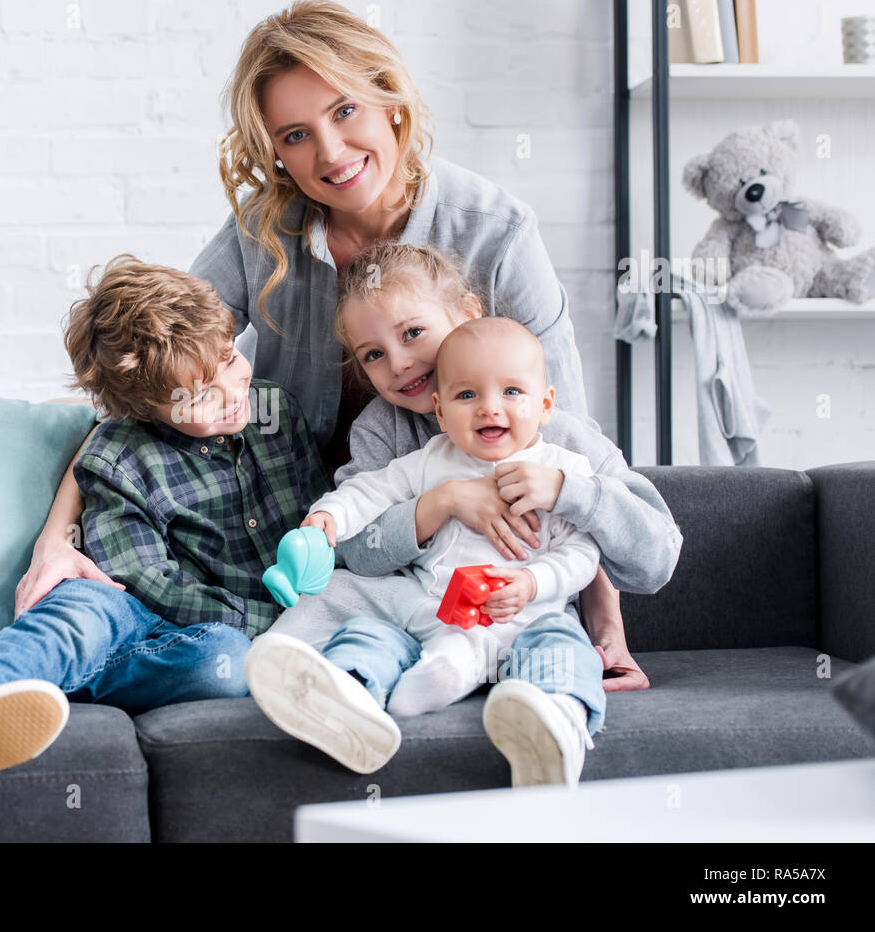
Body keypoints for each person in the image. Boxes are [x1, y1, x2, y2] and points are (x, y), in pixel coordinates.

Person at [13, 0, 652, 692]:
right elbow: (161, 373)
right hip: (317, 535)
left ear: (390, 100)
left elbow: (568, 436)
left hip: (445, 543)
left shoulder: (494, 233)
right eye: (295, 135)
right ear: (275, 153)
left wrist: (604, 625)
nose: (331, 153)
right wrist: (56, 537)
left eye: (345, 111)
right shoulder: (263, 232)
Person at [0, 254, 331, 810]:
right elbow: (144, 579)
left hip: (219, 640)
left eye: (232, 361)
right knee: (82, 605)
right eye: (200, 396)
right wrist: (278, 622)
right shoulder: (117, 455)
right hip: (137, 610)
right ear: (142, 409)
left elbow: (319, 514)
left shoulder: (277, 411)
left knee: (229, 666)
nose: (233, 393)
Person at [246, 244, 682, 786]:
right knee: (366, 631)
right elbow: (356, 553)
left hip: (525, 618)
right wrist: (442, 502)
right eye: (372, 354)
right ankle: (346, 699)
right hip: (421, 620)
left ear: (468, 314)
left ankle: (553, 726)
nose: (399, 363)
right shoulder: (387, 432)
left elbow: (654, 558)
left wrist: (573, 495)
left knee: (559, 650)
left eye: (411, 333)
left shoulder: (561, 439)